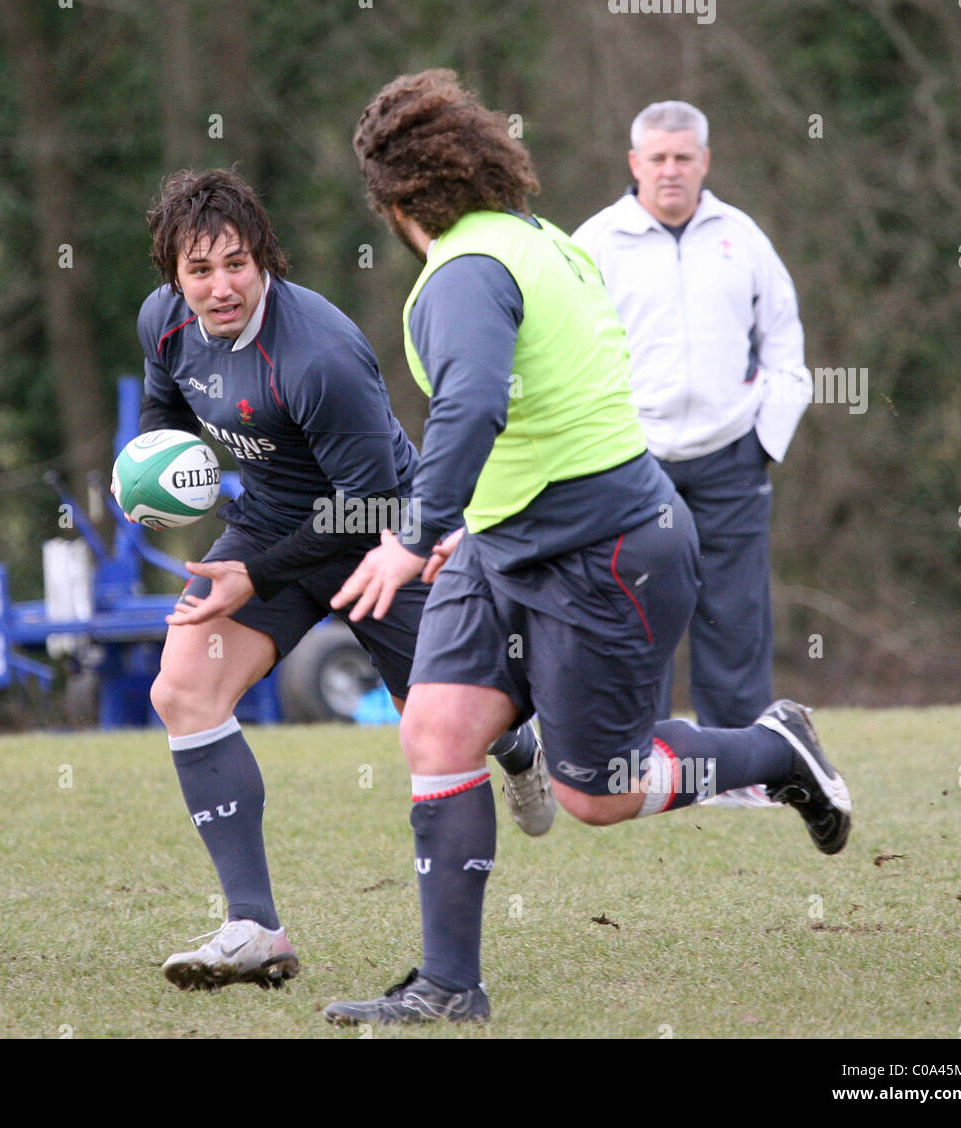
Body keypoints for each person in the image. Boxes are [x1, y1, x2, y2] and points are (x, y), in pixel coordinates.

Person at [322, 71, 851, 1025]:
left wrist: (414, 537)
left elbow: (477, 405)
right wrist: (472, 524)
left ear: (399, 202)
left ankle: (773, 752)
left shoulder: (464, 273)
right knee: (436, 731)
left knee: (599, 796)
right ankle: (451, 986)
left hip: (605, 549)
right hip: (506, 542)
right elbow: (536, 407)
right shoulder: (547, 242)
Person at [135, 168, 553, 992]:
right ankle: (254, 926)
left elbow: (366, 506)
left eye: (237, 265)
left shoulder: (319, 353)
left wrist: (251, 575)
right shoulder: (164, 323)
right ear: (174, 277)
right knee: (183, 688)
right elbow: (164, 407)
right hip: (270, 526)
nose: (220, 287)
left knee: (445, 726)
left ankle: (516, 743)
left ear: (265, 261)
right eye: (200, 270)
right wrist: (153, 466)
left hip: (380, 534)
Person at [572, 103, 810, 804]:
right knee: (633, 612)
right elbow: (565, 351)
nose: (670, 170)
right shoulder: (596, 243)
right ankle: (638, 763)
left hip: (731, 458)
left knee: (735, 615)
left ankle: (741, 772)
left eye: (683, 157)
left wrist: (768, 438)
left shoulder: (743, 239)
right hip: (630, 463)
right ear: (633, 163)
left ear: (705, 160)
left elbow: (786, 343)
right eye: (657, 158)